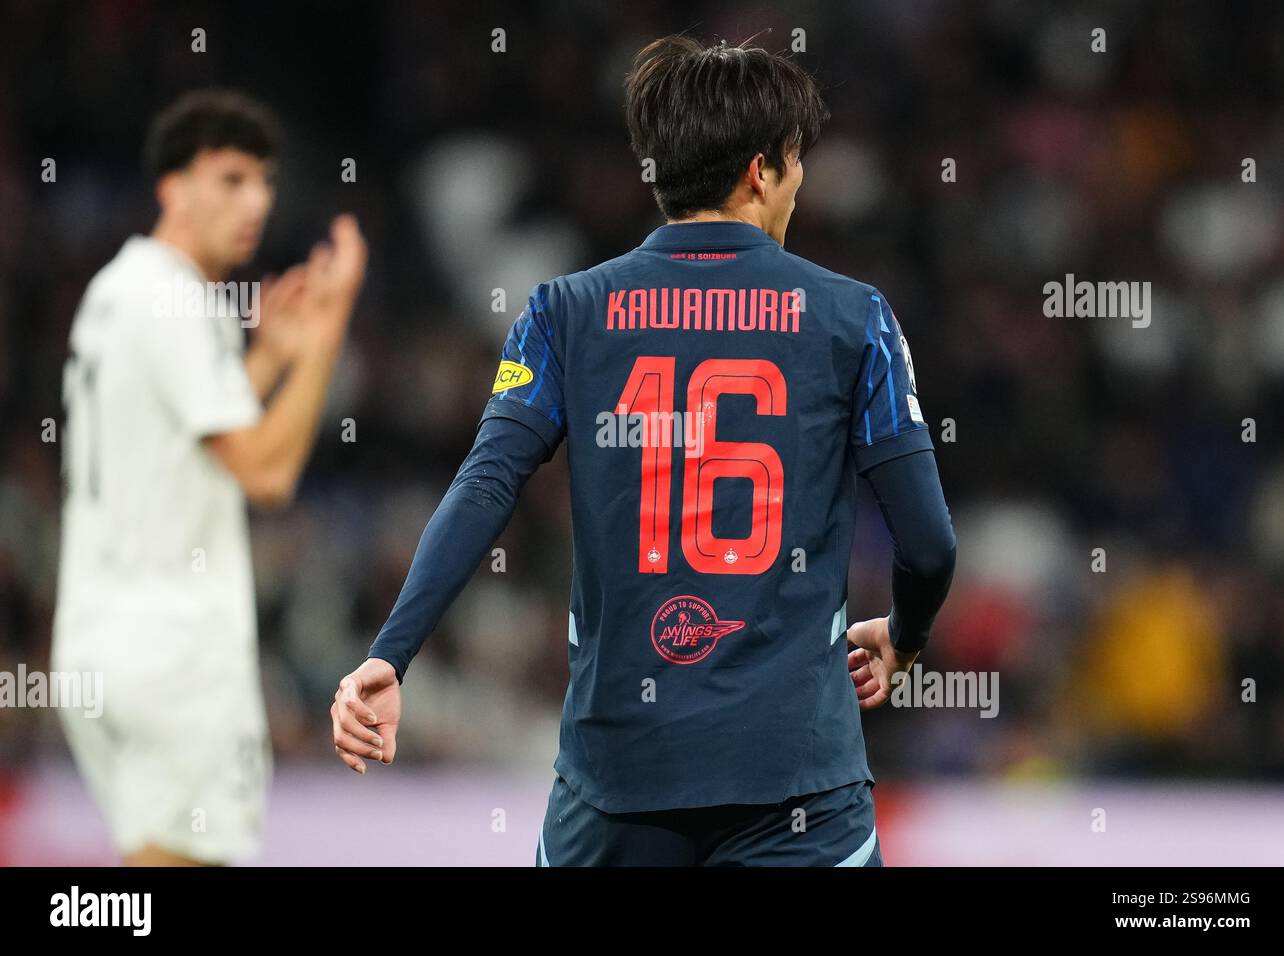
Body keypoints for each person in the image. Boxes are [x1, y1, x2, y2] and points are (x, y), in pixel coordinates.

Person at [332, 36, 955, 866]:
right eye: (798, 161)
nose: (801, 185)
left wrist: (389, 656)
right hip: (796, 784)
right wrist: (906, 638)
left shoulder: (564, 311)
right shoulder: (854, 318)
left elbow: (486, 485)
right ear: (762, 171)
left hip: (616, 780)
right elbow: (928, 544)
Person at [53, 89, 367, 866]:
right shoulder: (175, 299)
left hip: (96, 639)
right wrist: (325, 342)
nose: (255, 201)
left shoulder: (116, 289)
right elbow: (263, 473)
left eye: (263, 181)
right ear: (172, 185)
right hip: (174, 648)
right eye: (229, 179)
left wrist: (266, 360)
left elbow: (179, 439)